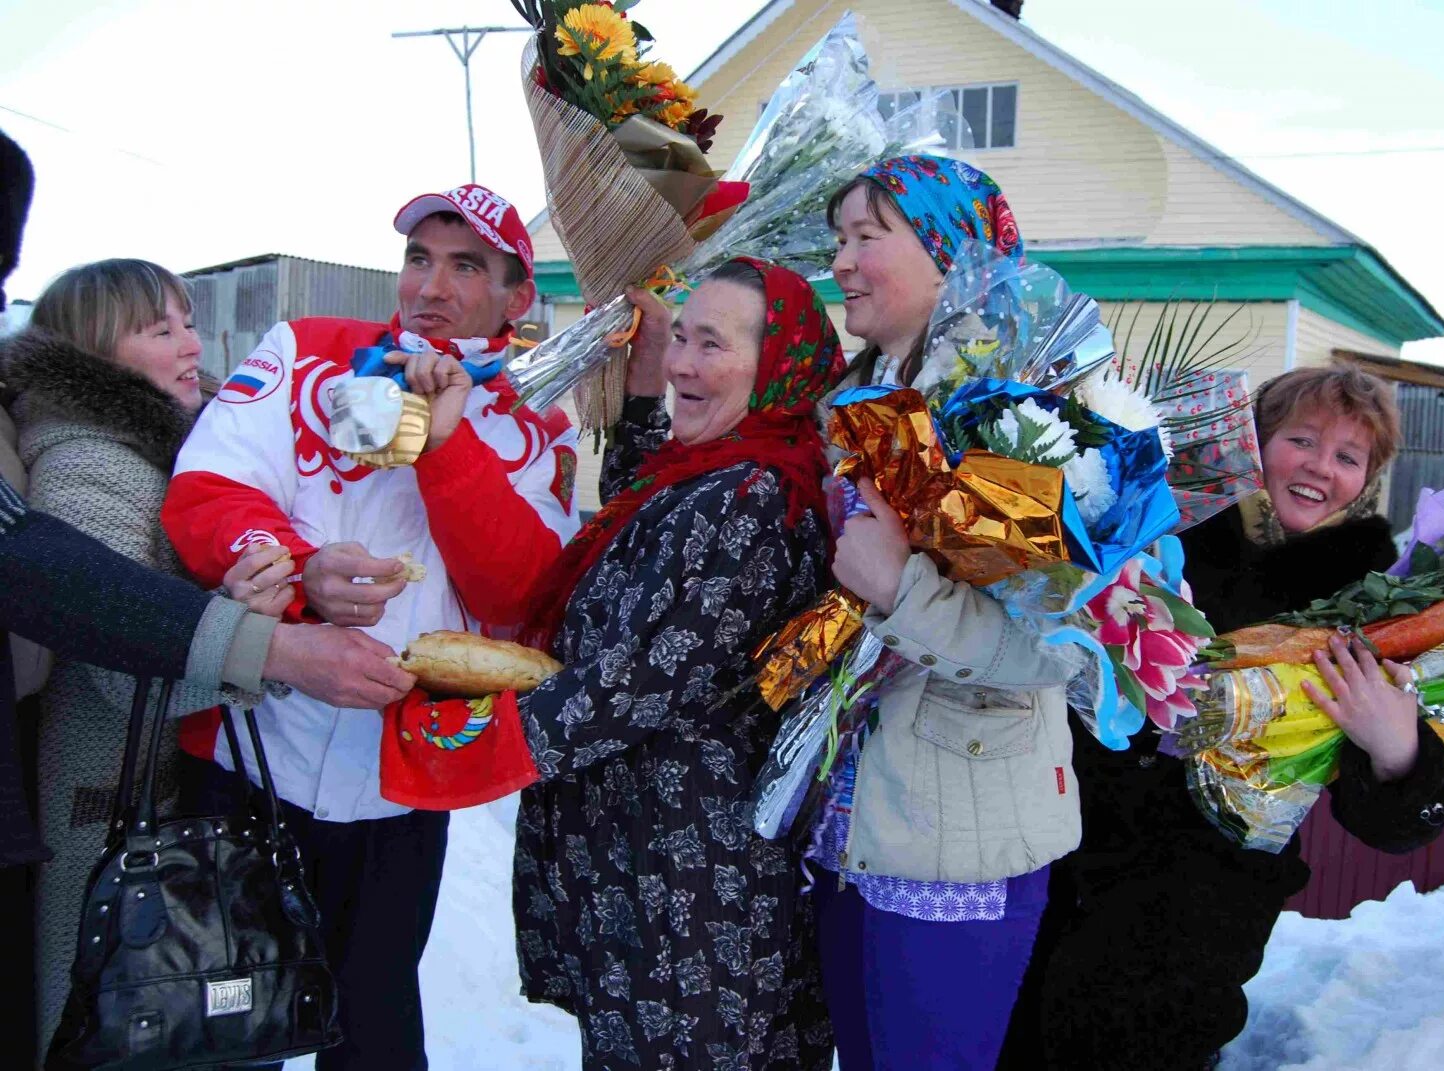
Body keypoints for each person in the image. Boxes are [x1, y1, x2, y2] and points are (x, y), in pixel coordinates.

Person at [0, 129, 413, 1057]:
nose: (193, 344)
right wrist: (260, 632)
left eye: (190, 321)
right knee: (117, 1031)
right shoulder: (85, 463)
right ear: (91, 349)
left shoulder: (168, 447)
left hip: (164, 807)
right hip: (114, 820)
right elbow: (115, 664)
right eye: (161, 328)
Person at [161, 183, 581, 1070]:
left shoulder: (537, 425)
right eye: (418, 258)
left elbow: (518, 593)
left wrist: (448, 443)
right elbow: (205, 492)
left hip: (400, 782)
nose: (430, 285)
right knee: (221, 1022)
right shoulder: (309, 350)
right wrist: (298, 569)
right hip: (249, 750)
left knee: (374, 1021)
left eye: (465, 265)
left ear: (515, 298)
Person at [1000, 365, 1444, 1070]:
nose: (1319, 468)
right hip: (1067, 850)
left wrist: (1396, 750)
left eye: (1347, 456)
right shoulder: (1166, 526)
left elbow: (1392, 820)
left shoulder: (1372, 600)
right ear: (1255, 441)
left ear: (1367, 478)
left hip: (1201, 901)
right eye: (1301, 440)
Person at [511, 257, 843, 1070]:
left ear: (778, 367)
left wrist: (479, 737)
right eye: (682, 342)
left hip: (694, 895)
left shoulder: (761, 494)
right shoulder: (707, 472)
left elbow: (651, 674)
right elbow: (644, 548)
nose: (685, 366)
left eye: (713, 346)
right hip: (643, 872)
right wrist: (636, 386)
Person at [808, 155, 1091, 1070]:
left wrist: (900, 588)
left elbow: (1068, 646)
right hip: (848, 816)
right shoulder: (855, 403)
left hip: (954, 834)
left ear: (951, 252)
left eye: (867, 237)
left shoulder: (1027, 415)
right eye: (837, 239)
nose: (842, 262)